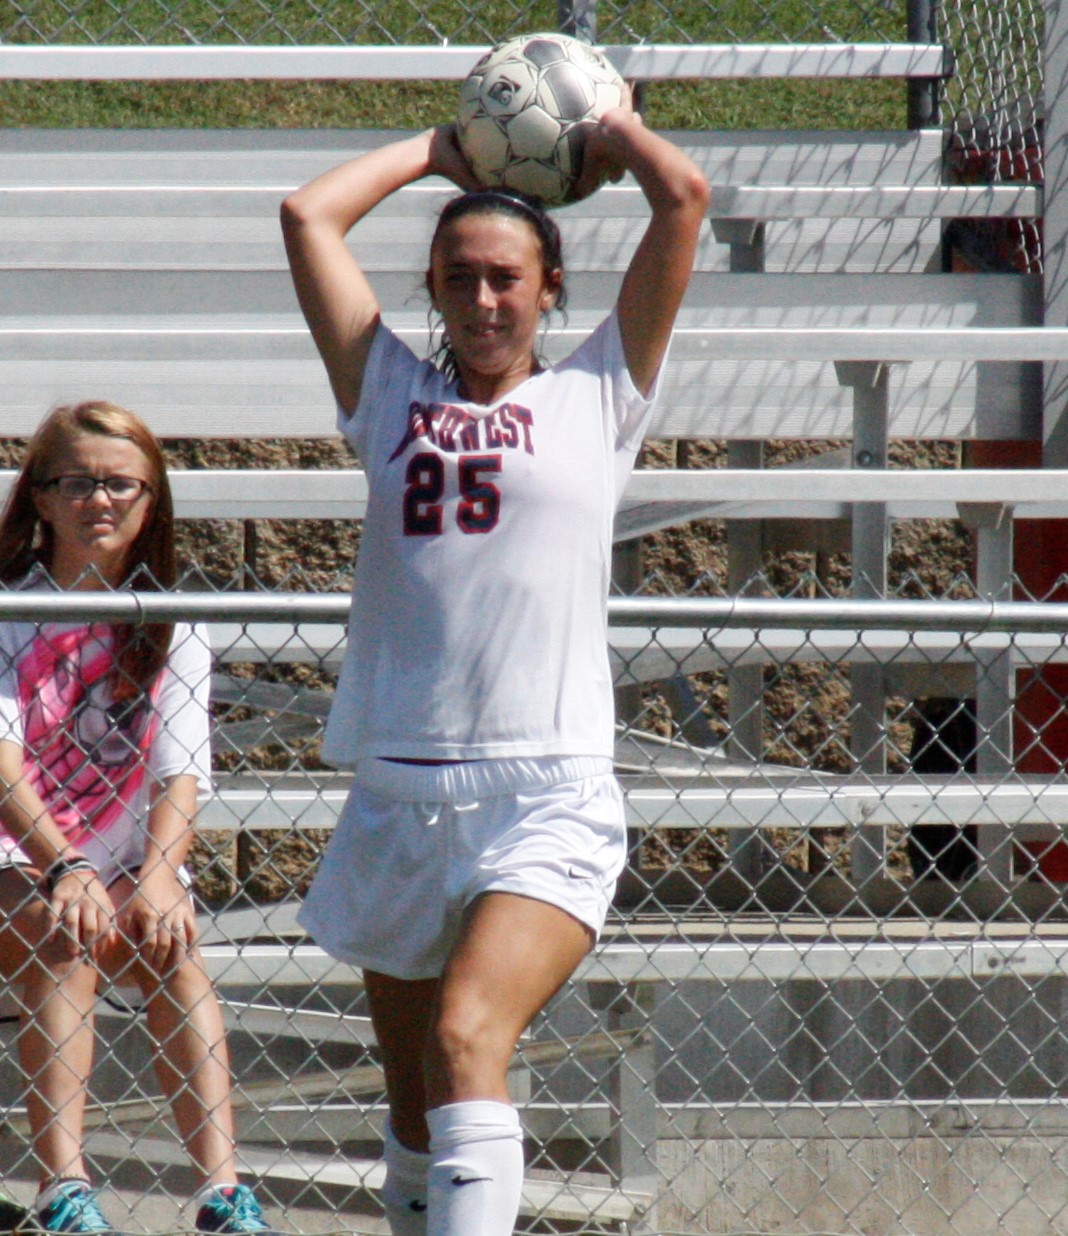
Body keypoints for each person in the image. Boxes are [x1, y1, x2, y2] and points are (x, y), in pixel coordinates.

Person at [281, 99, 708, 1236]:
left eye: (507, 278)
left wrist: (605, 134)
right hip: (399, 793)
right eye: (460, 277)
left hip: (544, 794)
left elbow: (684, 201)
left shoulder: (598, 394)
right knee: (419, 1105)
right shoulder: (388, 397)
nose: (483, 299)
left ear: (549, 286)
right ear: (434, 285)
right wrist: (437, 150)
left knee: (471, 1035)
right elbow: (307, 214)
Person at [0, 402, 277, 1236]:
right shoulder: (8, 609)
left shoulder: (170, 618)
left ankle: (224, 1195)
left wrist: (157, 877)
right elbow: (2, 764)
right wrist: (67, 864)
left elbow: (180, 773)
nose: (100, 500)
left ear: (151, 501)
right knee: (67, 931)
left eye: (122, 483)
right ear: (40, 499)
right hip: (22, 863)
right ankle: (63, 1191)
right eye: (77, 481)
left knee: (174, 949)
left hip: (117, 869)